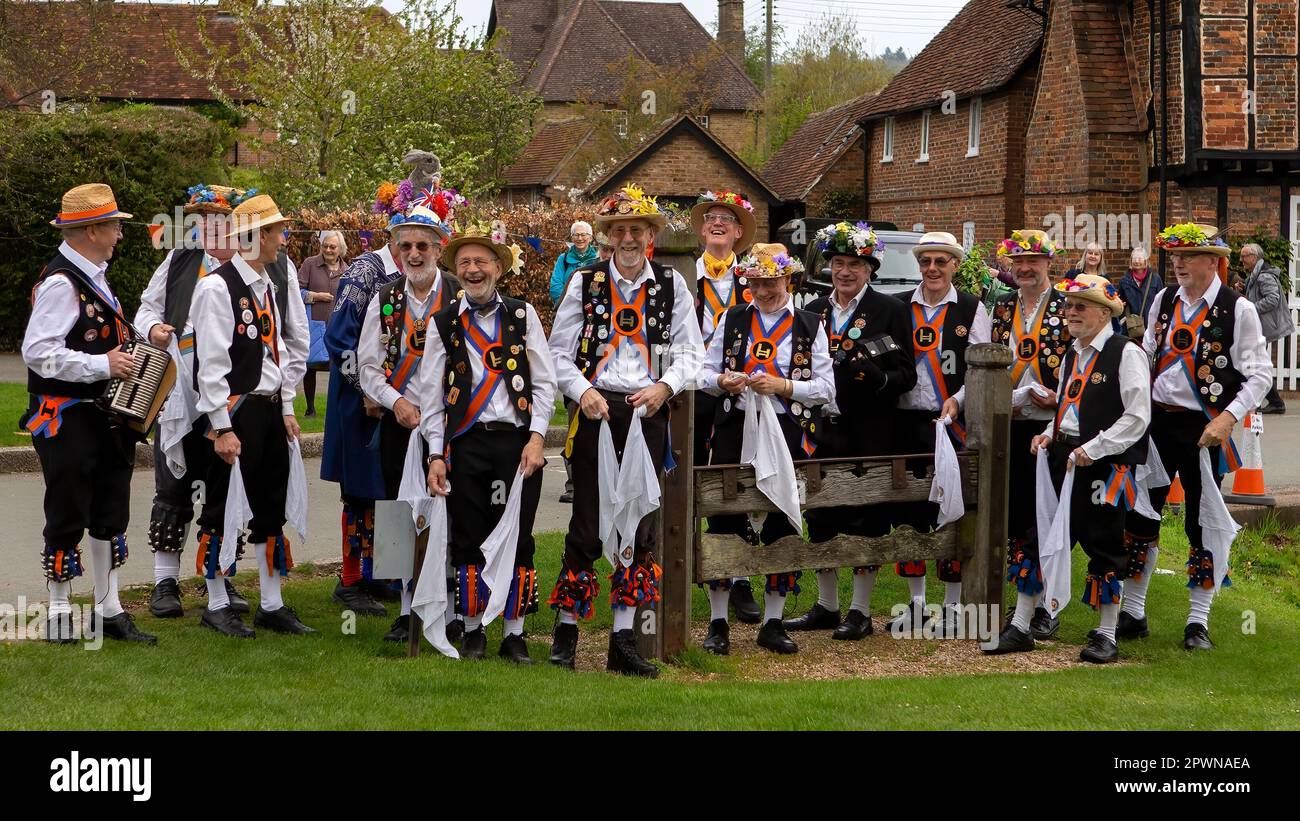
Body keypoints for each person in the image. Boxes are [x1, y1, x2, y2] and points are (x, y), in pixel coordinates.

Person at [546, 184, 704, 677]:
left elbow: (691, 354)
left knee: (638, 525)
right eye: (620, 230)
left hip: (649, 414)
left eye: (637, 229)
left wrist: (664, 386)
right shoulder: (586, 281)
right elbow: (556, 355)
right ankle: (565, 636)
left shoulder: (672, 285)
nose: (629, 237)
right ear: (608, 236)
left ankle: (622, 643)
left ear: (650, 235)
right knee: (587, 525)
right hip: (596, 412)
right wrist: (582, 391)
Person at [1120, 223, 1272, 650]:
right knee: (1140, 516)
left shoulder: (1237, 308)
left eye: (1188, 255)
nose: (1179, 262)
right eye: (1175, 255)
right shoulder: (1163, 299)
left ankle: (1197, 622)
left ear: (1214, 261)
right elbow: (1147, 350)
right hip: (1156, 424)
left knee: (1201, 522)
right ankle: (1133, 612)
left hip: (1204, 427)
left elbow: (1260, 375)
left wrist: (1228, 418)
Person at [984, 274, 1150, 662]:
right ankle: (1021, 626)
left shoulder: (1126, 353)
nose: (1070, 312)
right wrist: (1048, 432)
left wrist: (1096, 447)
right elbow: (1066, 406)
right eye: (1068, 305)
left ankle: (1106, 634)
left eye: (1080, 306)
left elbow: (1138, 416)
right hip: (1064, 457)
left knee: (1104, 544)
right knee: (1036, 537)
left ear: (1104, 312)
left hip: (1104, 465)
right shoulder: (1072, 353)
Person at [322, 193, 464, 637]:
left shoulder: (459, 295)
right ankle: (405, 610)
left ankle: (453, 608)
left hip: (453, 422)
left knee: (451, 510)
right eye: (406, 246)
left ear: (440, 248)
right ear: (396, 249)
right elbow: (366, 367)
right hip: (401, 422)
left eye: (423, 246)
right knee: (396, 514)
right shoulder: (383, 297)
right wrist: (396, 402)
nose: (414, 254)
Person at [22, 183, 154, 644]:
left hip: (106, 415)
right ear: (92, 229)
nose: (120, 233)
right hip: (68, 416)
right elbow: (36, 352)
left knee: (109, 508)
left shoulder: (94, 275)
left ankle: (109, 608)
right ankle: (59, 610)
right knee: (67, 509)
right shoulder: (62, 282)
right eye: (115, 225)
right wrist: (103, 364)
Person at [420, 225, 557, 662]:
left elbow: (545, 384)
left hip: (517, 445)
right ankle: (475, 627)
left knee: (517, 536)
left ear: (499, 267)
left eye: (482, 262)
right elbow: (431, 396)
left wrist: (537, 438)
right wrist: (436, 454)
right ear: (456, 271)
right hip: (466, 444)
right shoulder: (443, 323)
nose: (474, 270)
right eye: (465, 263)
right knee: (469, 536)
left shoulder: (522, 316)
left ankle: (514, 634)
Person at [783, 222, 917, 641]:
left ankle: (860, 611)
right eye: (838, 263)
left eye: (854, 264)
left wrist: (876, 376)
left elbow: (907, 375)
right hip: (822, 428)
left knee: (867, 519)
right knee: (821, 514)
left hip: (869, 427)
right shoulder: (814, 309)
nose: (844, 272)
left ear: (870, 268)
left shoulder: (890, 309)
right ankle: (826, 605)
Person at [698, 244, 833, 654]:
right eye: (755, 282)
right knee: (723, 519)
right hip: (734, 428)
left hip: (787, 429)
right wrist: (724, 381)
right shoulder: (733, 318)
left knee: (782, 523)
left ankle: (773, 623)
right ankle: (718, 623)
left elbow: (827, 390)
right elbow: (704, 372)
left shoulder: (810, 324)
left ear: (788, 281)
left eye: (771, 282)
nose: (762, 290)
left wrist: (783, 386)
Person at [190, 193, 311, 637]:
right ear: (258, 236)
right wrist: (221, 426)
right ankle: (218, 602)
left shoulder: (267, 285)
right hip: (235, 413)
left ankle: (271, 603)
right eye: (278, 231)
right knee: (222, 506)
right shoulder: (215, 287)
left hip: (267, 411)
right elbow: (213, 366)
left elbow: (275, 356)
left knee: (268, 504)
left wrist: (286, 407)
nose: (283, 239)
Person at [135, 183, 248, 619]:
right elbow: (146, 307)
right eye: (202, 219)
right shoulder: (179, 258)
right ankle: (165, 582)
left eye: (219, 220)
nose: (209, 227)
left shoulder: (248, 271)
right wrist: (154, 330)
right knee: (174, 487)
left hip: (230, 396)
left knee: (223, 488)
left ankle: (219, 578)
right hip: (180, 392)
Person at [884, 231, 992, 635]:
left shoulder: (971, 309)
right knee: (910, 515)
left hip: (951, 425)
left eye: (940, 262)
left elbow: (980, 367)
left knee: (952, 511)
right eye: (926, 261)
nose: (932, 269)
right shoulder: (897, 307)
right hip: (905, 424)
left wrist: (958, 402)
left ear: (955, 266)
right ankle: (915, 604)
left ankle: (951, 607)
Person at [990, 229, 1072, 640]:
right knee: (1019, 514)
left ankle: (1046, 606)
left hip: (1053, 426)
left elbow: (1079, 366)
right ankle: (1029, 600)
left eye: (1032, 262)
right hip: (1011, 424)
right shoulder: (1002, 307)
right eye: (1017, 262)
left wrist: (1059, 400)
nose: (1024, 268)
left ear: (1048, 264)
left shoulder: (1066, 305)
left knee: (1048, 517)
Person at [689, 189, 761, 628]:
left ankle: (737, 577)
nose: (718, 224)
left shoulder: (756, 281)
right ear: (701, 229)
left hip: (739, 395)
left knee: (735, 484)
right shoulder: (678, 278)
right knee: (685, 484)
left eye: (727, 220)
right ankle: (675, 569)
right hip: (690, 398)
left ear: (738, 233)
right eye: (711, 217)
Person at [298, 229, 349, 416]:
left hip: (337, 326)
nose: (328, 249)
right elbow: (296, 291)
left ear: (340, 249)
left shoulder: (347, 271)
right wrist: (315, 296)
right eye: (325, 246)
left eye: (332, 247)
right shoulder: (310, 264)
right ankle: (310, 408)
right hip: (315, 324)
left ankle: (334, 408)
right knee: (310, 367)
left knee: (336, 368)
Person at [1240, 242, 1292, 414]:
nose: (1241, 260)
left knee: (1257, 365)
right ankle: (1272, 401)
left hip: (1263, 328)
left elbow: (1272, 299)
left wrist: (1251, 308)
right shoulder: (1256, 274)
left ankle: (1276, 402)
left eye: (1244, 256)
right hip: (1260, 327)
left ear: (1254, 257)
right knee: (1256, 364)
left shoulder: (1263, 276)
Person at [1116, 245, 1162, 340]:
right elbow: (1119, 303)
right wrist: (1123, 319)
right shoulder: (1124, 281)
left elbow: (1161, 301)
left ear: (1146, 261)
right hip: (1131, 328)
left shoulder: (1155, 279)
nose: (1137, 261)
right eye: (1134, 258)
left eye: (1140, 258)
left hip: (1151, 326)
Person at [548, 220, 598, 306]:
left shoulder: (597, 258)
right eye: (576, 235)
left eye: (583, 235)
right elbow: (555, 286)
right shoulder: (563, 259)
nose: (579, 238)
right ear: (572, 238)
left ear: (590, 238)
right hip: (567, 307)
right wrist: (568, 304)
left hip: (592, 306)